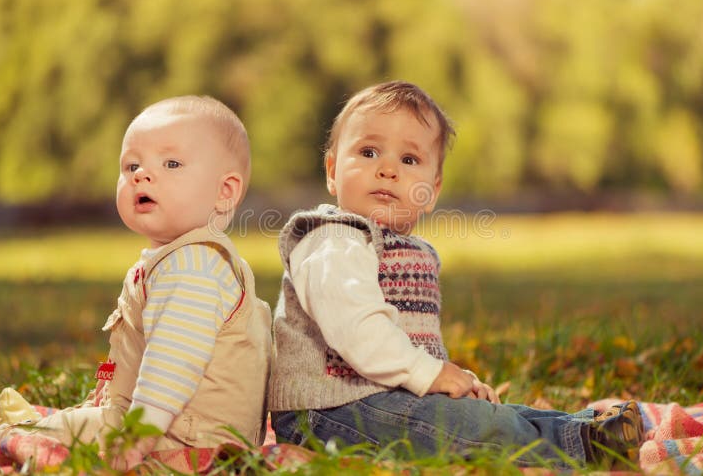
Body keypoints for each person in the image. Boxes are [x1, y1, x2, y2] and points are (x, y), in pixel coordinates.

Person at [268, 81, 644, 469]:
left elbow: (412, 342)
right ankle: (579, 446)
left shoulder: (411, 251)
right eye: (368, 152)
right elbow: (356, 328)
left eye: (409, 160)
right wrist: (429, 376)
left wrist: (451, 380)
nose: (387, 170)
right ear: (332, 171)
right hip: (325, 410)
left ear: (431, 191)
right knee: (464, 424)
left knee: (486, 413)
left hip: (384, 399)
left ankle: (586, 428)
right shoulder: (332, 241)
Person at [0, 96, 272, 469]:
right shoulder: (180, 259)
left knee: (75, 433)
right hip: (172, 423)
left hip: (176, 437)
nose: (142, 174)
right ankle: (31, 424)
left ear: (225, 192)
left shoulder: (193, 268)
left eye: (171, 163)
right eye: (131, 165)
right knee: (82, 422)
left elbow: (173, 368)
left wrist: (135, 438)